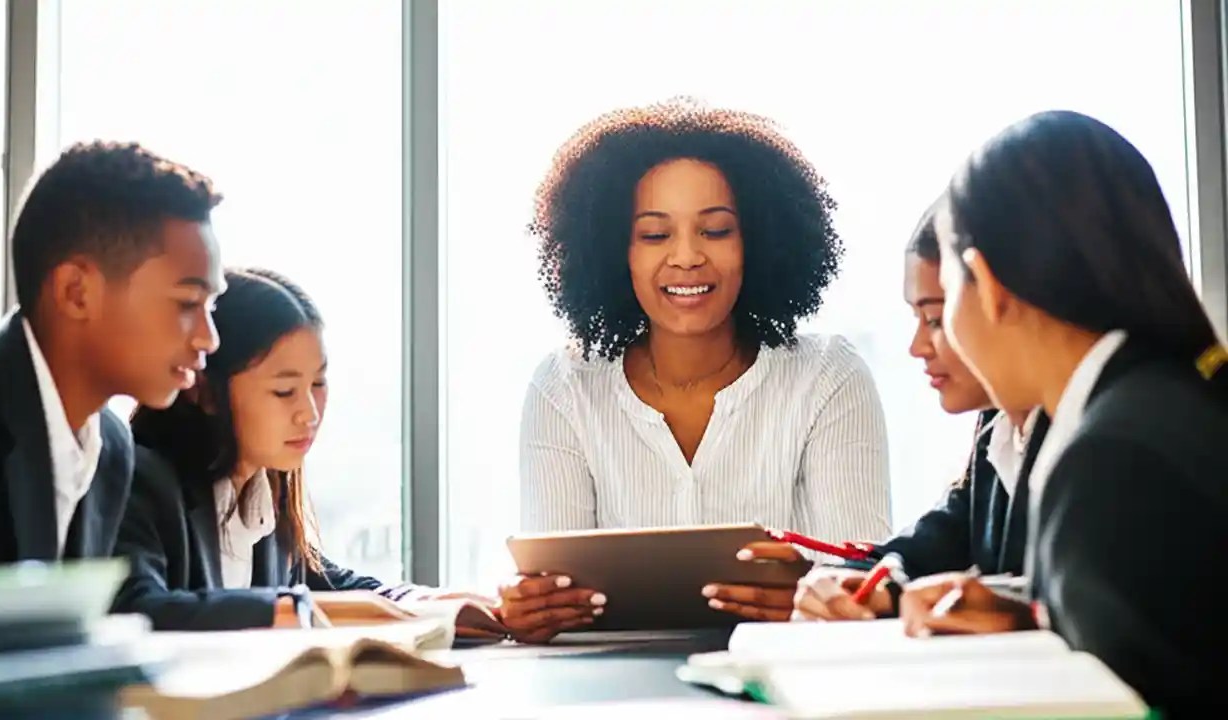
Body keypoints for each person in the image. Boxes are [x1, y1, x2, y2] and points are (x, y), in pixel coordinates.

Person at [505, 98, 892, 633]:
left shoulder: (829, 377)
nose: (687, 256)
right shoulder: (565, 387)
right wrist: (533, 608)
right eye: (655, 235)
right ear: (616, 251)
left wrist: (814, 606)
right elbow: (559, 589)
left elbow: (859, 582)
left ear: (756, 242)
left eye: (714, 230)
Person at [897, 110, 1228, 715]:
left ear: (986, 284)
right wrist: (1036, 620)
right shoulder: (1170, 398)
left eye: (942, 299)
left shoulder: (1110, 458)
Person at [112, 269, 557, 639]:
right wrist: (315, 611)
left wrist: (424, 601)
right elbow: (139, 610)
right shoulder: (140, 478)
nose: (308, 413)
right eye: (284, 390)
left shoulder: (261, 489)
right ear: (206, 391)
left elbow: (320, 581)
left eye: (318, 384)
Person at [0, 141, 223, 568]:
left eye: (211, 307)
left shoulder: (112, 447)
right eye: (188, 303)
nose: (209, 339)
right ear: (76, 293)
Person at [792, 201, 1044, 621]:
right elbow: (934, 542)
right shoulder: (998, 428)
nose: (916, 347)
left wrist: (1019, 616)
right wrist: (862, 582)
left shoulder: (1097, 432)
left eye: (935, 318)